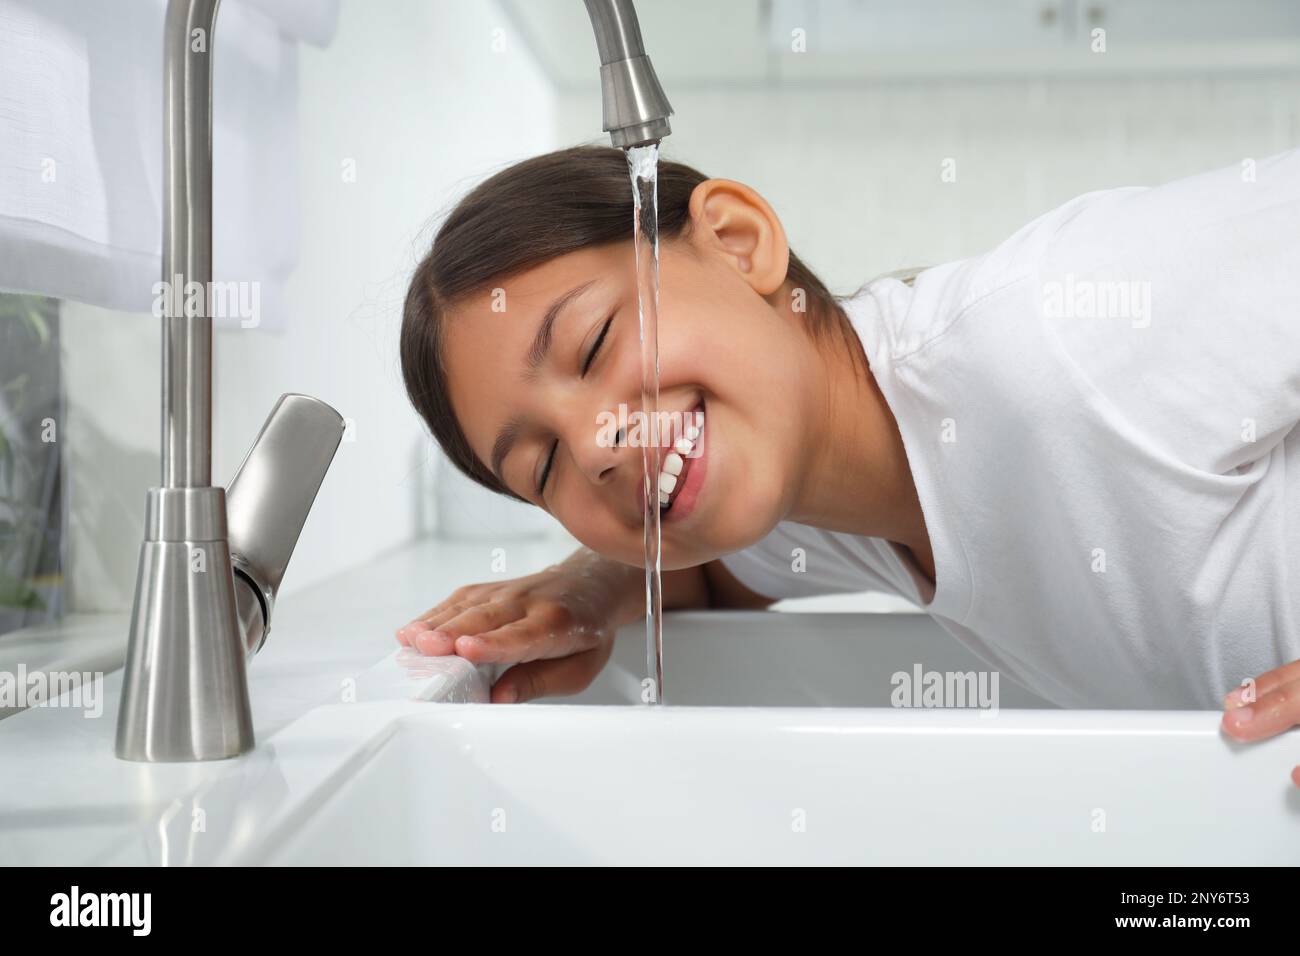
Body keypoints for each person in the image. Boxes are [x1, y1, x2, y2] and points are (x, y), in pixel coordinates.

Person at [396, 145, 1300, 785]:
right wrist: (592, 588)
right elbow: (728, 578)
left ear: (739, 241)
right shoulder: (831, 499)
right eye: (542, 464)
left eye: (594, 344)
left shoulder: (1061, 331)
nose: (597, 446)